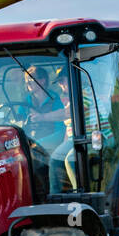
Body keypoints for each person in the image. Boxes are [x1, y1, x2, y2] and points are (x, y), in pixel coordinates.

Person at [20, 65, 78, 193]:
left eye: (31, 79)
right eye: (26, 80)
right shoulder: (26, 101)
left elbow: (64, 122)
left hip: (55, 135)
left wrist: (41, 118)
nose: (28, 83)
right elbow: (19, 119)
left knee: (34, 149)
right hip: (31, 136)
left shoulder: (55, 99)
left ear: (42, 81)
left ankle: (47, 192)